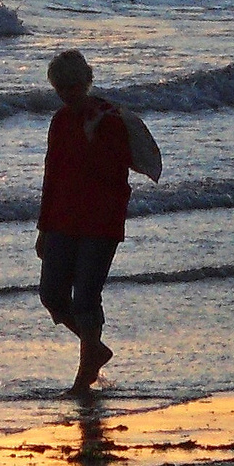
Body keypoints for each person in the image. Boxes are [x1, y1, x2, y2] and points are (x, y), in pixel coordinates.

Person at [37, 49, 134, 396]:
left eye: (74, 85)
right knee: (51, 293)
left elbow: (118, 176)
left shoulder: (109, 119)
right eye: (61, 87)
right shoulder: (60, 121)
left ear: (87, 82)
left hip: (100, 220)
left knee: (87, 296)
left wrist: (94, 141)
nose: (67, 93)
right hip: (62, 218)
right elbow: (52, 175)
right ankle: (95, 348)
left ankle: (84, 374)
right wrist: (42, 228)